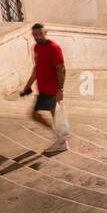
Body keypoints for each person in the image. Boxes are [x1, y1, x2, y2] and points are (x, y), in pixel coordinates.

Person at [20, 23, 67, 153]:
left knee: (36, 115)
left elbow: (61, 69)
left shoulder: (53, 48)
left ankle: (61, 139)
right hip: (43, 88)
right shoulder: (36, 47)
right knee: (53, 115)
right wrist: (28, 86)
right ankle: (61, 140)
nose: (37, 36)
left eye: (40, 34)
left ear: (45, 33)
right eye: (35, 34)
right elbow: (37, 69)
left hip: (52, 89)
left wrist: (60, 90)